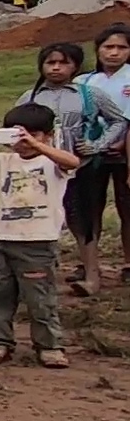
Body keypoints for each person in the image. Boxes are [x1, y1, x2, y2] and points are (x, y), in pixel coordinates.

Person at [0, 104, 81, 368]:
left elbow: (73, 162)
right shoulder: (4, 161)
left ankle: (49, 345)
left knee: (40, 297)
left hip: (38, 242)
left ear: (48, 135)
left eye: (33, 135)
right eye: (18, 135)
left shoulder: (51, 161)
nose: (24, 142)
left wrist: (39, 147)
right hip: (1, 238)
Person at [19, 42, 128, 297]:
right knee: (43, 217)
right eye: (50, 62)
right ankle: (39, 275)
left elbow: (118, 121)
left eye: (64, 63)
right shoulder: (31, 97)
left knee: (84, 219)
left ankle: (92, 276)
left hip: (82, 166)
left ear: (76, 66)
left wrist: (97, 145)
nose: (56, 68)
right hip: (41, 168)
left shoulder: (88, 95)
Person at [81, 23, 130, 282]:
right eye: (108, 46)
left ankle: (128, 262)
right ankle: (88, 262)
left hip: (126, 153)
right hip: (91, 153)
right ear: (98, 50)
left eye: (121, 47)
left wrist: (121, 143)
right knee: (89, 208)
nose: (114, 53)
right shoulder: (85, 81)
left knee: (127, 209)